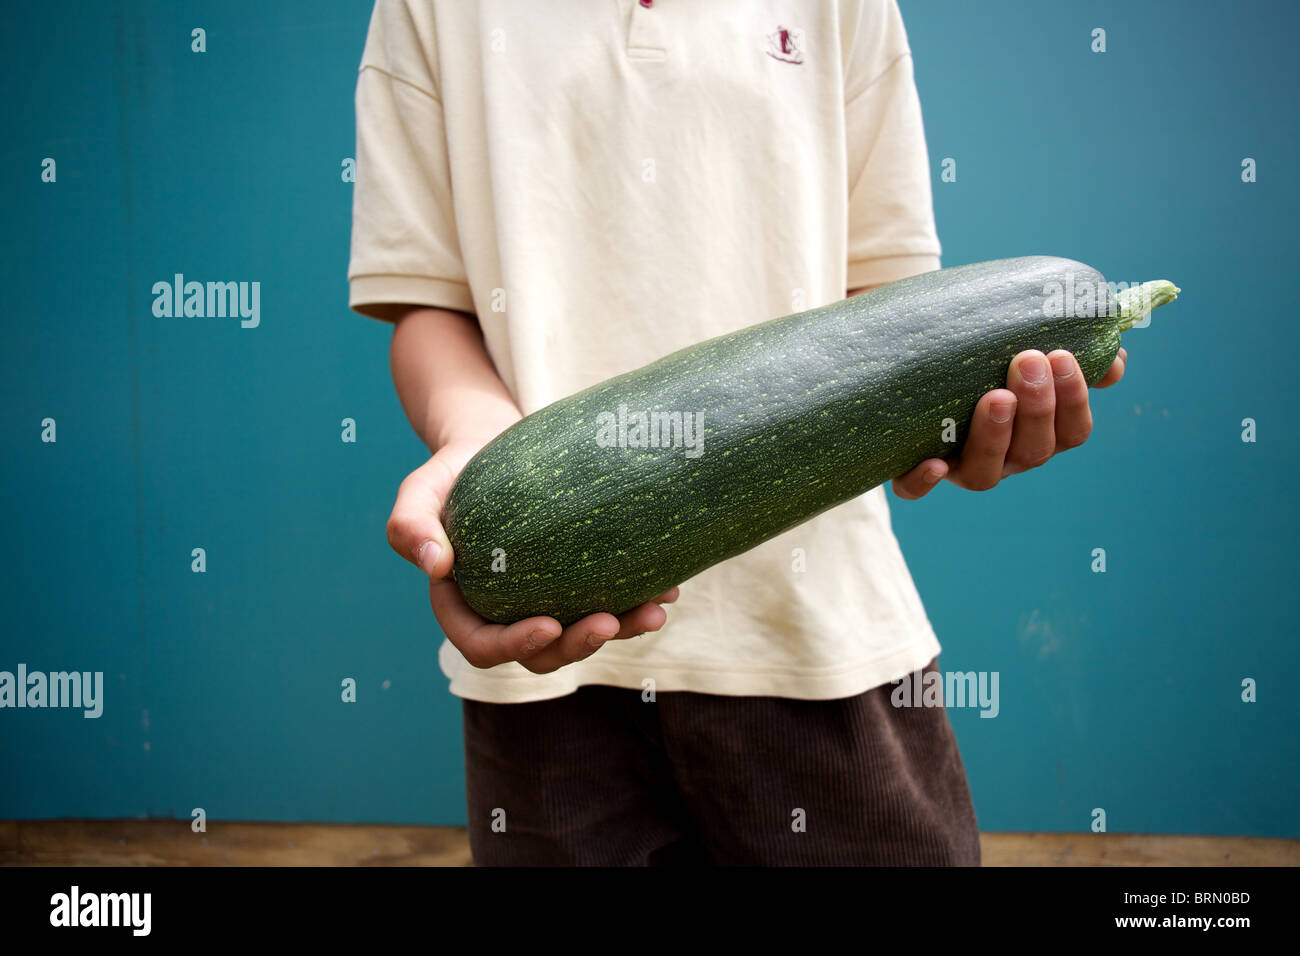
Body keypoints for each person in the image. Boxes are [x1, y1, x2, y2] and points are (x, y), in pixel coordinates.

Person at [348, 0, 1126, 866]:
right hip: (549, 661)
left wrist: (959, 427)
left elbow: (896, 316)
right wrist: (474, 444)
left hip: (818, 631)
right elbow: (426, 302)